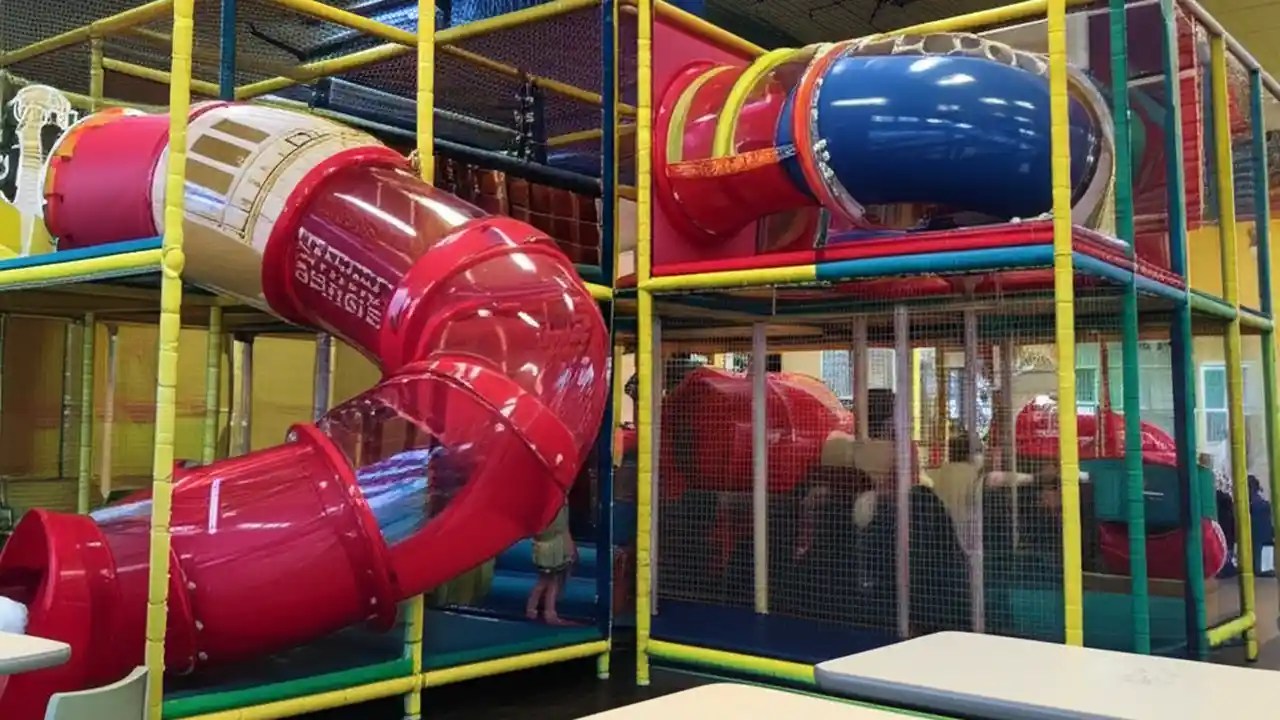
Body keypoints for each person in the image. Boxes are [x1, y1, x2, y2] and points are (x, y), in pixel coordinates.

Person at [526, 503, 577, 625]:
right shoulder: (556, 504)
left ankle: (535, 609)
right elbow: (562, 527)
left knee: (547, 580)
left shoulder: (545, 504)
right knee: (550, 581)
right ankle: (546, 612)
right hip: (552, 547)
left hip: (547, 546)